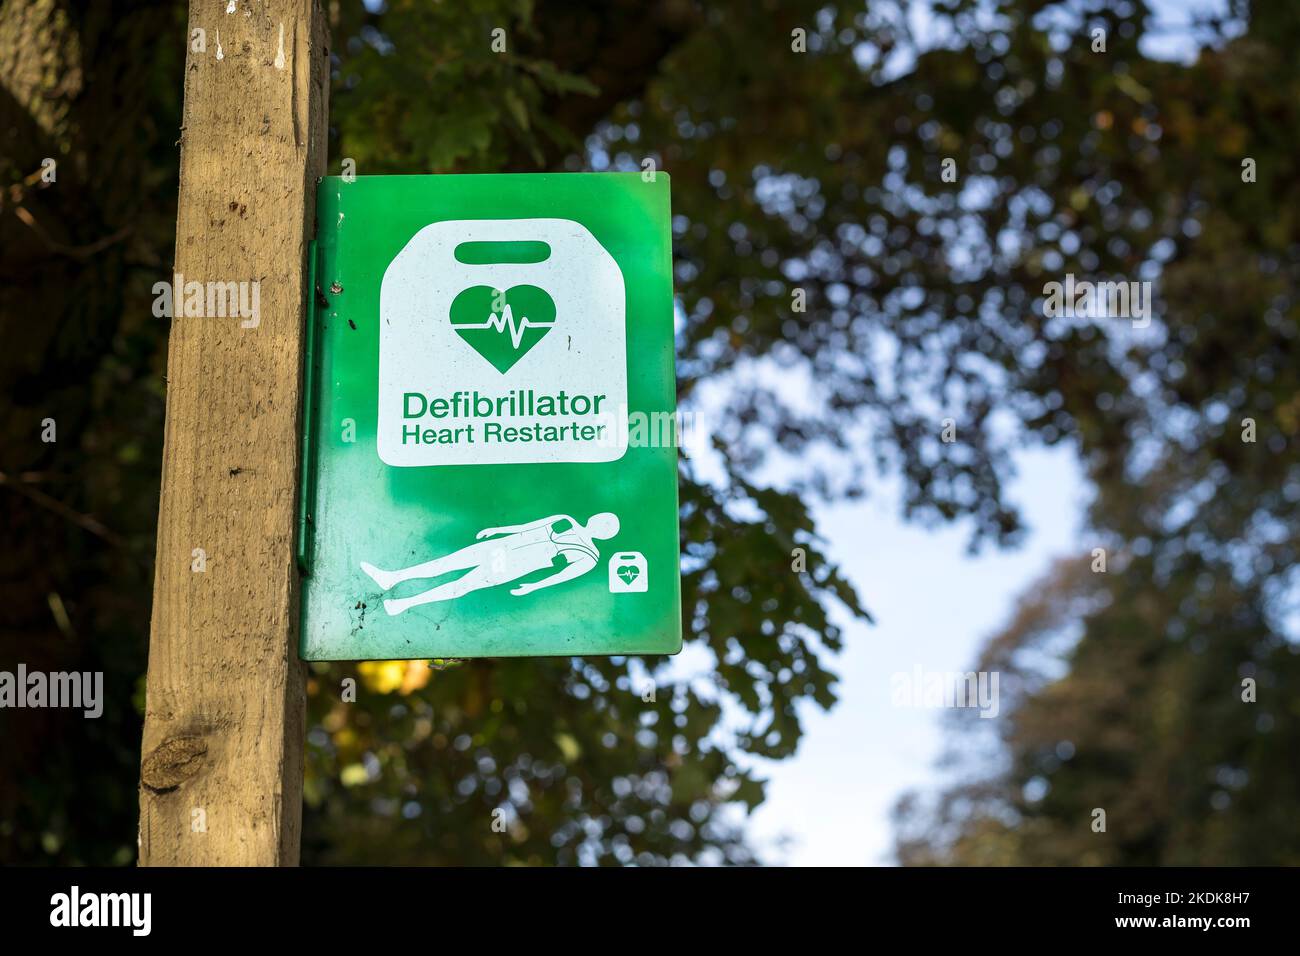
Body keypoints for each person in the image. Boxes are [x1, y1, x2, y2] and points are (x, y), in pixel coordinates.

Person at [360, 512, 620, 615]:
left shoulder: (589, 555)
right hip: (502, 545)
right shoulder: (566, 520)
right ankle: (392, 577)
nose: (602, 522)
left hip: (515, 565)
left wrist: (533, 587)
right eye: (604, 518)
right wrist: (497, 531)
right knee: (446, 563)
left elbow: (563, 576)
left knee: (460, 586)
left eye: (608, 525)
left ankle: (403, 604)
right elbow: (529, 527)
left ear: (607, 533)